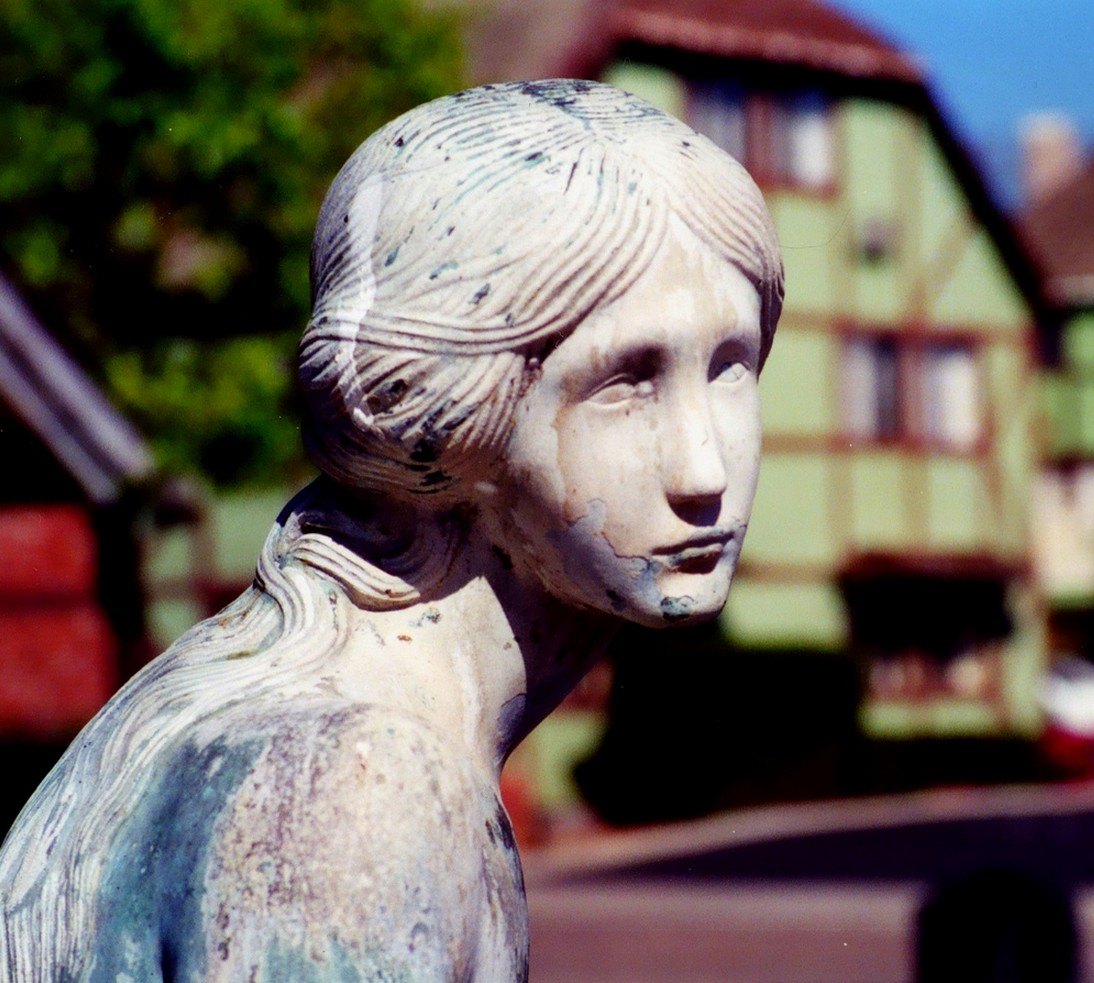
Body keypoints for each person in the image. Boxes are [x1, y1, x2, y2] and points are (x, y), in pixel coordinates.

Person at [0, 79, 783, 980]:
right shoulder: (348, 794)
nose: (704, 470)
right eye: (623, 382)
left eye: (730, 368)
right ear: (449, 420)